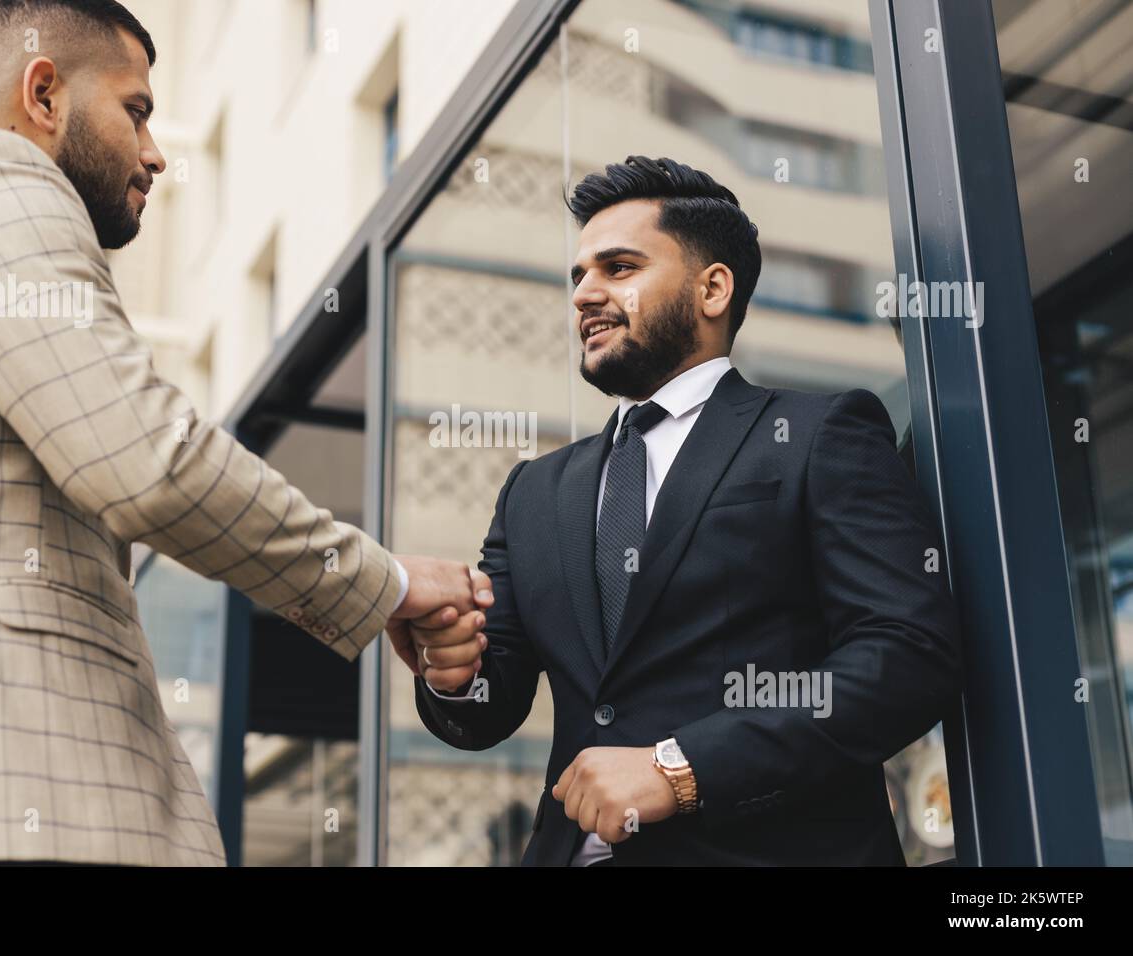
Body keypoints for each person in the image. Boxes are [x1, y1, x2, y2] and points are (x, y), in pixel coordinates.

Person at [0, 0, 486, 866]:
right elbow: (148, 460)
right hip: (5, 783)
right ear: (43, 94)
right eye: (135, 110)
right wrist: (389, 581)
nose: (155, 151)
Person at [410, 156, 962, 865]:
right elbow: (487, 709)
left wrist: (682, 768)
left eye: (619, 267)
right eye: (578, 275)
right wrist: (450, 670)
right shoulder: (533, 493)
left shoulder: (818, 435)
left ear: (712, 288)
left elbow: (909, 656)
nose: (585, 293)